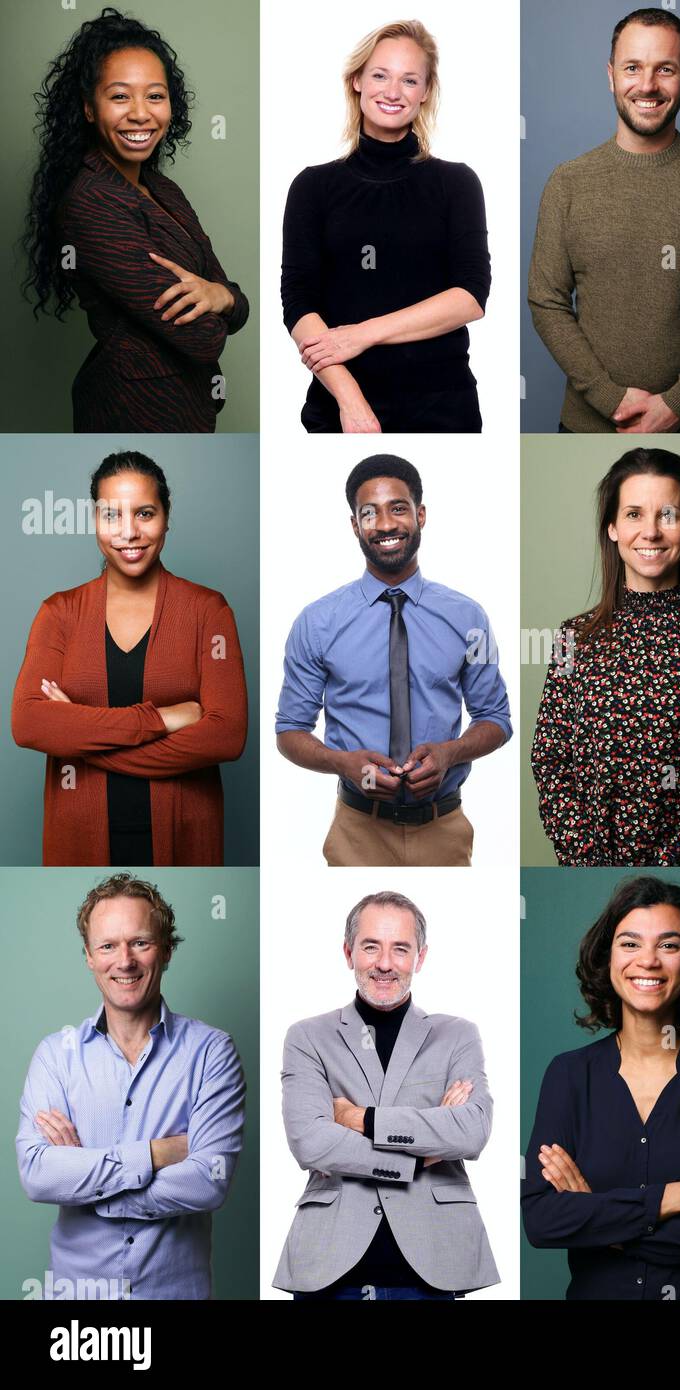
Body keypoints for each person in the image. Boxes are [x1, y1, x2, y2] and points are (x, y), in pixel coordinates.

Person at [522, 876, 680, 1301]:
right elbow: (542, 1221)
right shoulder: (568, 1075)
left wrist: (601, 1226)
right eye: (630, 943)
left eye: (669, 945)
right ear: (608, 958)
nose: (648, 961)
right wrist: (671, 1199)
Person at [15, 873, 246, 1301]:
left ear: (167, 949)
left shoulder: (212, 1052)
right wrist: (157, 1153)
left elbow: (208, 1181)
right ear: (88, 956)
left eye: (140, 942)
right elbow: (38, 1175)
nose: (124, 961)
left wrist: (88, 1181)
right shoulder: (55, 1056)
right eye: (107, 946)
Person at [11, 452, 249, 867]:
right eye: (111, 516)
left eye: (144, 513)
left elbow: (226, 735)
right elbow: (29, 723)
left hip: (183, 838)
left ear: (166, 516)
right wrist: (161, 719)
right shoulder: (59, 612)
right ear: (93, 520)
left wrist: (81, 739)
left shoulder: (208, 610)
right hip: (78, 839)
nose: (129, 532)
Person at [528, 7, 680, 434]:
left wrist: (677, 403)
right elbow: (547, 302)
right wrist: (610, 399)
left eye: (665, 69)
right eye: (633, 67)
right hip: (588, 429)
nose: (647, 85)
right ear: (611, 74)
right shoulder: (569, 182)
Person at [275, 453, 511, 867]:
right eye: (370, 513)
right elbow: (290, 730)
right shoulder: (316, 623)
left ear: (420, 515)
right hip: (356, 834)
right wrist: (341, 762)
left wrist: (449, 754)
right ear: (355, 525)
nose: (385, 525)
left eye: (398, 508)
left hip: (444, 831)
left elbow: (496, 719)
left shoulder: (469, 617)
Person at [20, 8, 249, 433]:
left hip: (190, 413)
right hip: (133, 415)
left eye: (155, 96)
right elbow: (204, 338)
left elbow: (237, 303)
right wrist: (221, 299)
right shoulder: (91, 203)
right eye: (120, 96)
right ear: (90, 109)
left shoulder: (164, 190)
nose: (141, 113)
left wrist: (223, 296)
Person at [531, 448, 680, 866]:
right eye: (634, 514)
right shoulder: (573, 637)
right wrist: (591, 864)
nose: (651, 532)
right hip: (589, 870)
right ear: (612, 527)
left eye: (668, 514)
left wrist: (667, 868)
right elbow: (550, 756)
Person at [274, 891, 499, 1300]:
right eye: (371, 947)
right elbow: (311, 1142)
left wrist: (361, 1119)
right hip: (328, 1267)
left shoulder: (458, 1034)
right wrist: (423, 1156)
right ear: (348, 952)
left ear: (420, 957)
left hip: (434, 1265)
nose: (384, 963)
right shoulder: (308, 1037)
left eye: (400, 949)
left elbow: (472, 1131)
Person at [281, 19, 490, 434]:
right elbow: (298, 302)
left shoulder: (457, 183)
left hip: (442, 406)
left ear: (426, 91)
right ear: (356, 80)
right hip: (339, 406)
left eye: (409, 80)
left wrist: (363, 334)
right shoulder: (313, 186)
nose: (393, 92)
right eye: (380, 75)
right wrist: (351, 400)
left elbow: (471, 295)